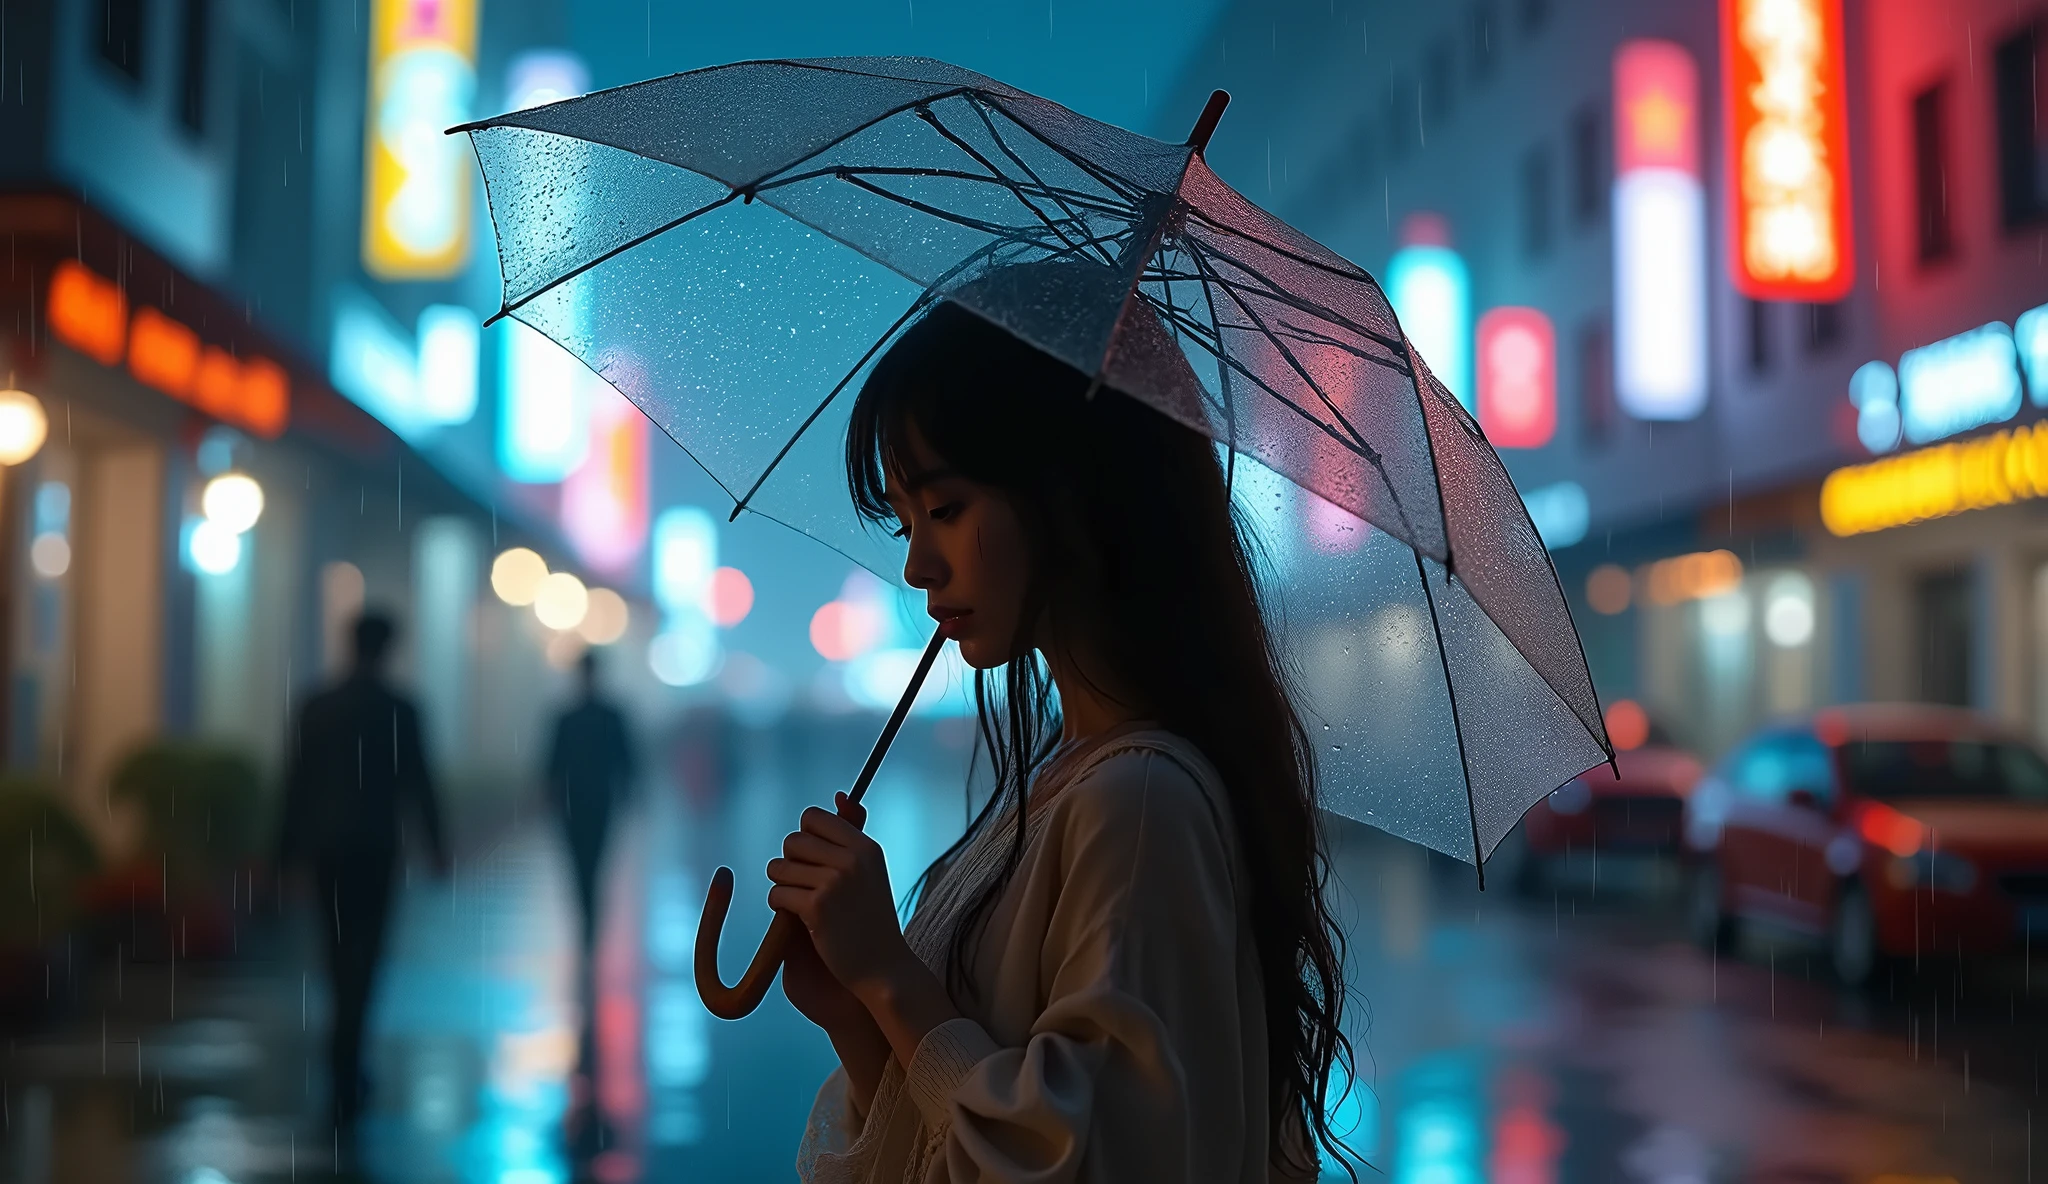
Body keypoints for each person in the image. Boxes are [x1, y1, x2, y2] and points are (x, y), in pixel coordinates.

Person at [771, 275, 1354, 1182]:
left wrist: (890, 970)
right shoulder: (1067, 784)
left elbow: (1090, 1163)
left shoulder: (1139, 804)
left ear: (1070, 497)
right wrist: (860, 1014)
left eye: (948, 509)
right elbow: (957, 1136)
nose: (921, 565)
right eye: (908, 522)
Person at [277, 611, 448, 1142]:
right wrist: (436, 849)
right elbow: (421, 781)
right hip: (376, 849)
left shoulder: (317, 707)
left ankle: (342, 1055)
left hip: (328, 851)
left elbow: (295, 784)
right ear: (389, 648)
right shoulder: (401, 710)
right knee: (367, 954)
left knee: (333, 950)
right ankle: (350, 1055)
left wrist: (281, 857)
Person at [545, 649, 638, 954]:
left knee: (584, 865)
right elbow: (627, 763)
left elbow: (552, 766)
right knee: (589, 865)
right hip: (596, 803)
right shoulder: (608, 716)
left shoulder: (568, 718)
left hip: (582, 805)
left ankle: (588, 920)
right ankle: (589, 919)